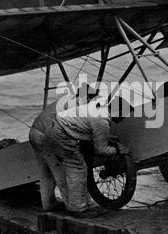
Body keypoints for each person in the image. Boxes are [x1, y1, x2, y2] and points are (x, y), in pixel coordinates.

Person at [28, 86, 120, 217]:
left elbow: (77, 124)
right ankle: (73, 206)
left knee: (45, 173)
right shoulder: (75, 104)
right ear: (87, 96)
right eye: (92, 98)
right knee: (63, 171)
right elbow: (70, 126)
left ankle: (48, 204)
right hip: (45, 136)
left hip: (34, 133)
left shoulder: (66, 100)